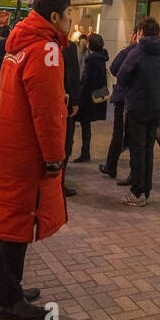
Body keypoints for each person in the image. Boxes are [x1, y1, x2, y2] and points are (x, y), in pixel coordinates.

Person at [0, 0, 72, 320]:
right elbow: (49, 112)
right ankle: (8, 299)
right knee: (18, 221)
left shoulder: (18, 45)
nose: (70, 21)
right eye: (68, 14)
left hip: (10, 145)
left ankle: (1, 290)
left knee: (6, 217)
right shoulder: (46, 49)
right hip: (28, 151)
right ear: (54, 18)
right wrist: (54, 156)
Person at [117, 17, 160, 206]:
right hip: (156, 107)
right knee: (148, 149)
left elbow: (122, 76)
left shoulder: (138, 51)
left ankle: (137, 192)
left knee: (137, 150)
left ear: (141, 33)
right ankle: (146, 189)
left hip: (138, 107)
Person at [100, 26, 141, 181]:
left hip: (125, 99)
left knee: (120, 134)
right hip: (135, 100)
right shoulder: (154, 54)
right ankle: (120, 169)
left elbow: (115, 68)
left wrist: (129, 47)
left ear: (138, 34)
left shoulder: (133, 52)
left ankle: (113, 167)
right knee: (131, 136)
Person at [74, 33, 109, 163]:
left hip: (87, 97)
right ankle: (85, 151)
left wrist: (78, 93)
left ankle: (85, 152)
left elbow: (87, 80)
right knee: (86, 125)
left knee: (85, 125)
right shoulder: (101, 58)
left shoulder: (92, 60)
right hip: (94, 95)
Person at [61, 36, 80, 198]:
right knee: (65, 143)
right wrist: (74, 100)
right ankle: (58, 183)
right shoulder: (68, 46)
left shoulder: (39, 43)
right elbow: (73, 76)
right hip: (64, 102)